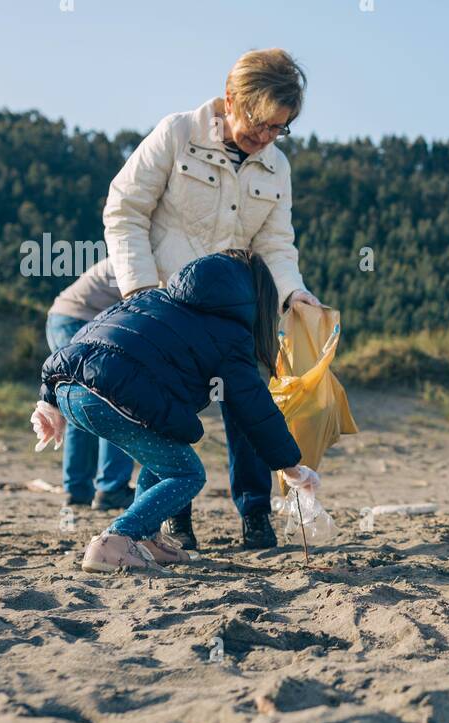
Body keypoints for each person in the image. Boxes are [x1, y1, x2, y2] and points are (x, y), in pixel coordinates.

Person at [74, 47, 321, 550]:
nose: (267, 138)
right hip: (169, 309)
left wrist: (292, 290)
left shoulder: (277, 168)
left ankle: (255, 515)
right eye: (260, 123)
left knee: (249, 402)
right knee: (168, 411)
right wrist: (142, 290)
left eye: (280, 128)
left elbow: (275, 243)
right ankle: (174, 523)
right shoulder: (176, 134)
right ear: (232, 99)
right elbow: (124, 210)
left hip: (237, 314)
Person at [32, 251, 319, 573]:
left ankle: (148, 538)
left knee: (166, 452)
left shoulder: (152, 296)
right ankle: (116, 539)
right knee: (187, 473)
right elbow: (254, 408)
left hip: (68, 386)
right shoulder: (230, 333)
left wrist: (49, 399)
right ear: (255, 296)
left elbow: (89, 335)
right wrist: (290, 466)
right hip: (113, 394)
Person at [45, 276, 136, 510]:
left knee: (81, 405)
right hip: (82, 320)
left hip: (65, 316)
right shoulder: (147, 255)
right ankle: (111, 488)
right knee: (113, 402)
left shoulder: (140, 248)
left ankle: (78, 491)